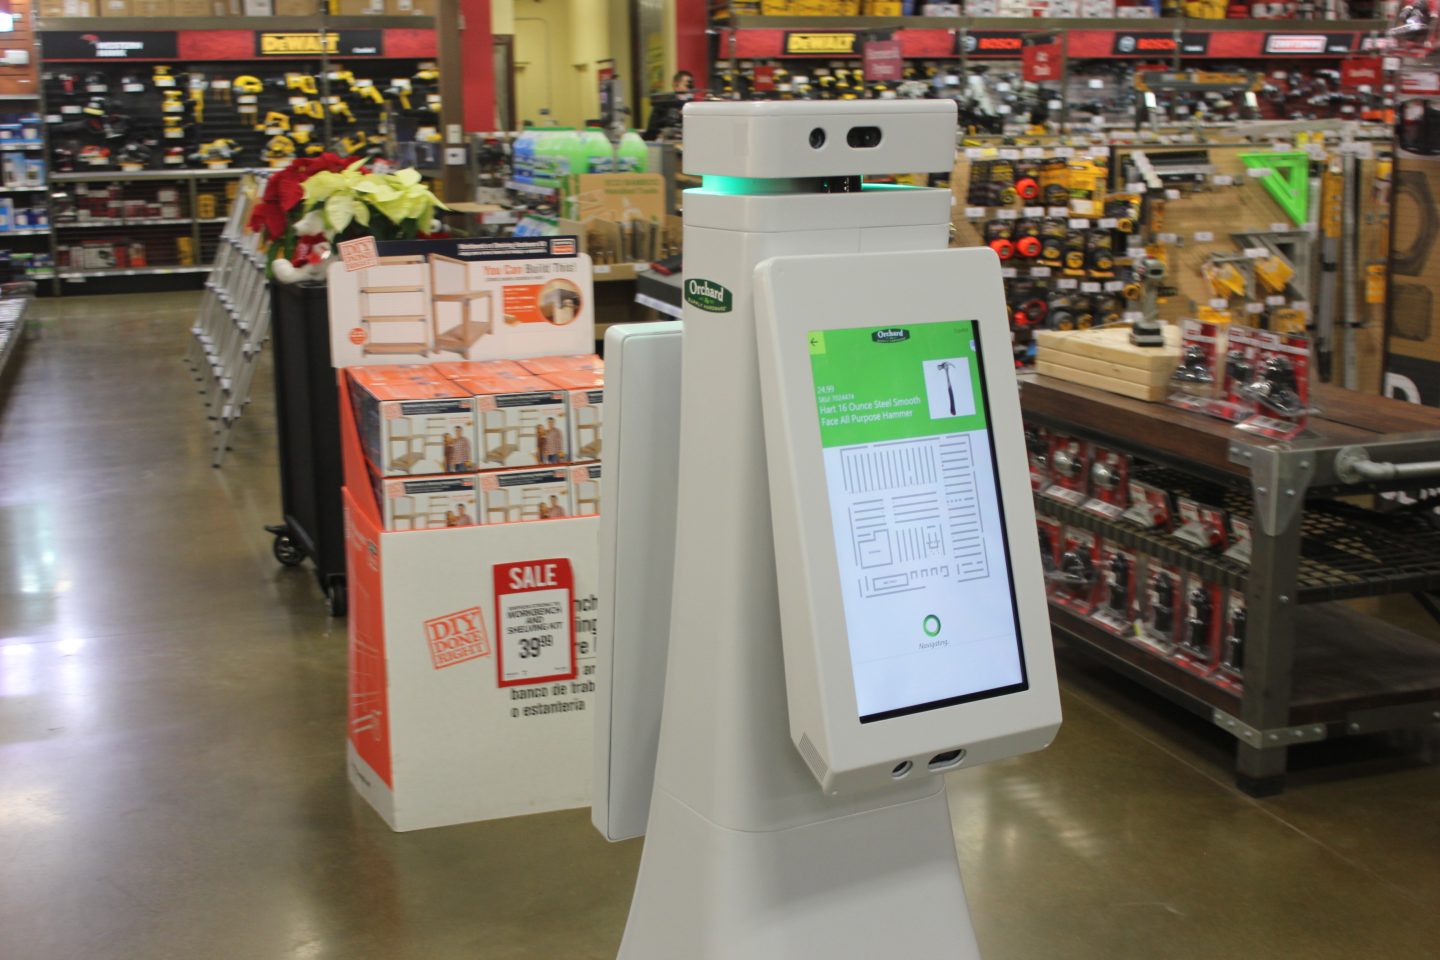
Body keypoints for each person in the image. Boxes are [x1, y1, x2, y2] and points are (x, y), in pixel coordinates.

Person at [643, 70, 695, 141]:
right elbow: (652, 129)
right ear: (675, 86)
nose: (690, 89)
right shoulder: (663, 103)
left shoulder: (692, 105)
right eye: (687, 85)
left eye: (691, 86)